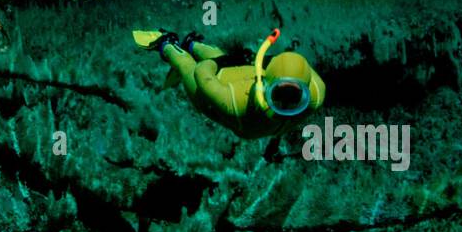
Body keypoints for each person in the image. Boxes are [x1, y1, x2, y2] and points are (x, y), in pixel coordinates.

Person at [133, 28, 325, 138]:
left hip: (218, 85)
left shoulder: (234, 103)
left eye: (293, 97)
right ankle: (165, 43)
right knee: (187, 66)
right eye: (281, 94)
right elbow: (200, 76)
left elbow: (202, 73)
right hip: (211, 89)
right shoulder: (316, 94)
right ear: (265, 82)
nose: (286, 106)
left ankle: (188, 44)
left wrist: (225, 62)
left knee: (213, 61)